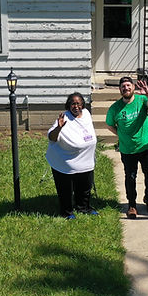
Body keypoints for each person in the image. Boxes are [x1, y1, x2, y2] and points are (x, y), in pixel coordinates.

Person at [106, 76, 148, 218]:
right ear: (120, 89)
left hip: (146, 146)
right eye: (123, 86)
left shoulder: (141, 101)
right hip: (128, 149)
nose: (126, 88)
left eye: (129, 86)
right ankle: (131, 205)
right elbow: (109, 124)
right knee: (130, 177)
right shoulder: (115, 108)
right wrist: (120, 135)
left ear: (133, 87)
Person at [46, 92, 97, 220]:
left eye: (78, 103)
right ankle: (67, 212)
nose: (76, 106)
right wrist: (59, 127)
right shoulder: (64, 118)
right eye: (73, 104)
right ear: (68, 105)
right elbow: (52, 138)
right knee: (65, 190)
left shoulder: (86, 114)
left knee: (85, 188)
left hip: (86, 161)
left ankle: (83, 207)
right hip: (65, 162)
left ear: (82, 105)